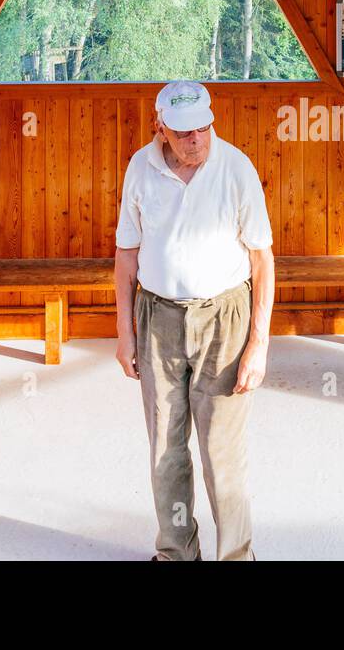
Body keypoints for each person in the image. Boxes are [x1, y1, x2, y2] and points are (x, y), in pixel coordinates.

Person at [114, 80, 275, 561]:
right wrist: (125, 333)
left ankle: (235, 556)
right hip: (158, 317)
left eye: (204, 128)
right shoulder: (140, 169)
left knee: (221, 453)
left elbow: (262, 261)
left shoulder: (236, 168)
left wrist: (259, 344)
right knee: (166, 449)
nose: (197, 141)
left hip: (224, 319)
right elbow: (126, 256)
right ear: (159, 127)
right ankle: (175, 553)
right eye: (184, 133)